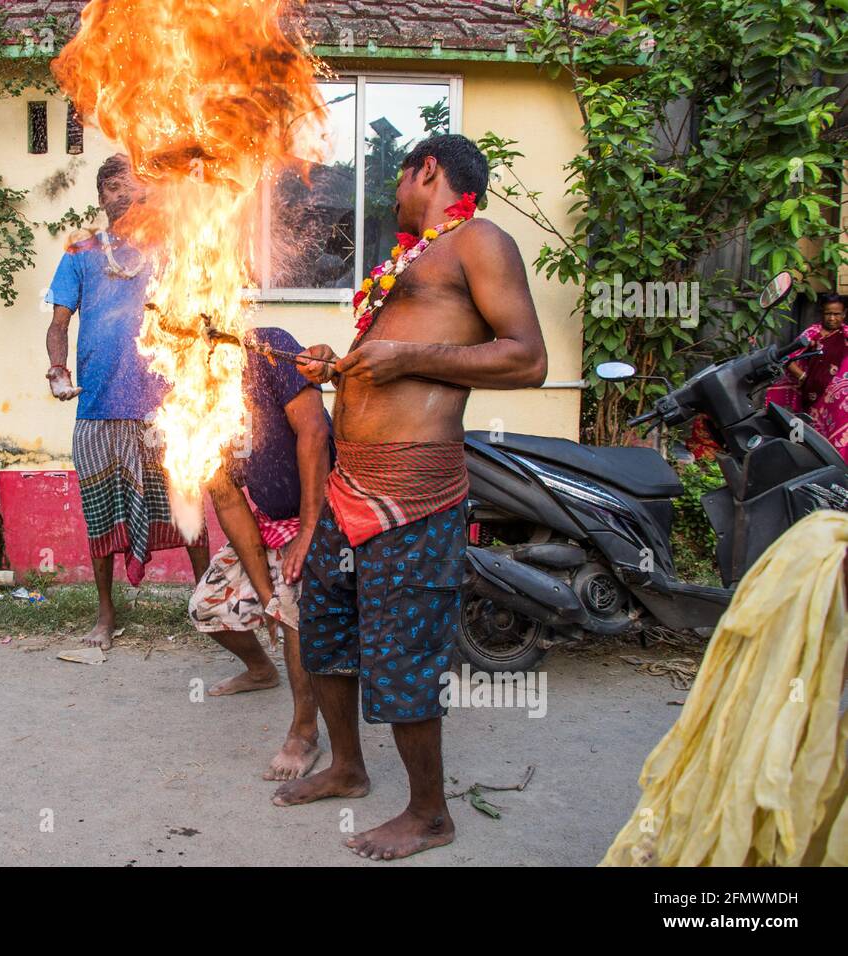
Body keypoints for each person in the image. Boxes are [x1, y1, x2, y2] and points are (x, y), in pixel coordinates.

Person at [282, 133, 548, 860]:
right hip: (349, 481)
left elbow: (527, 357)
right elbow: (392, 363)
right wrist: (340, 368)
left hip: (415, 490)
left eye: (398, 179)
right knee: (327, 633)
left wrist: (405, 356)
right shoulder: (409, 258)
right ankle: (346, 767)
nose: (391, 194)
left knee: (400, 653)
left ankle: (430, 813)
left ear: (427, 169)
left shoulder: (479, 240)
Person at [45, 155, 209, 650]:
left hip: (164, 408)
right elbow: (58, 325)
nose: (124, 195)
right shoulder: (80, 251)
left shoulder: (171, 251)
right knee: (100, 514)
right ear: (100, 198)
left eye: (132, 187)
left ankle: (208, 604)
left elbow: (198, 317)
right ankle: (105, 615)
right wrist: (57, 370)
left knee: (188, 509)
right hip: (97, 406)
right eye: (113, 187)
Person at [189, 327, 333, 780]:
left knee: (292, 607)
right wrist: (264, 592)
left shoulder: (267, 346)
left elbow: (313, 431)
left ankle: (305, 730)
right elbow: (228, 501)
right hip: (271, 526)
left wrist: (309, 529)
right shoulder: (191, 395)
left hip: (326, 510)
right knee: (205, 607)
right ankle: (260, 670)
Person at [766, 293, 848, 461]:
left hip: (841, 405)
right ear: (822, 313)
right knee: (816, 438)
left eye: (837, 314)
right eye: (828, 313)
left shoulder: (846, 335)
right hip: (815, 400)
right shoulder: (812, 333)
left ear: (844, 314)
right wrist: (803, 377)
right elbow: (788, 358)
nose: (832, 318)